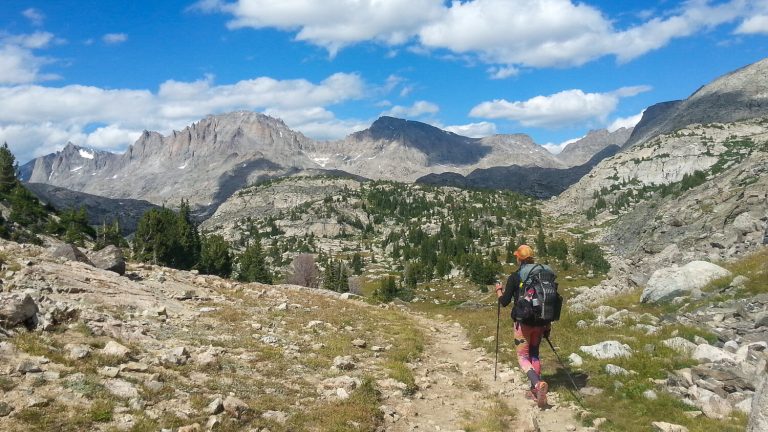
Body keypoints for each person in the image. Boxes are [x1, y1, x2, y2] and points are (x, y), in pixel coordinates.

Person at [495, 244, 554, 408]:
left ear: (519, 258)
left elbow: (505, 302)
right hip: (541, 322)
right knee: (534, 354)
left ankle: (537, 384)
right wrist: (547, 325)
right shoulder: (542, 275)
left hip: (524, 323)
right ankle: (535, 390)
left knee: (522, 357)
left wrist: (499, 290)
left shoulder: (516, 276)